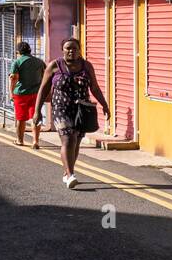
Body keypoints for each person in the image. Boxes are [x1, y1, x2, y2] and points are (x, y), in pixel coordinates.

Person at [33, 38, 109, 189]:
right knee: (68, 138)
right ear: (63, 50)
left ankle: (67, 172)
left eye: (74, 48)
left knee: (76, 142)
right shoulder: (54, 66)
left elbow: (94, 87)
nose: (71, 51)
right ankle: (70, 175)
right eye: (68, 48)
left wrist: (104, 104)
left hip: (82, 110)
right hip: (61, 108)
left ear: (79, 49)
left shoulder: (86, 66)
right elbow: (43, 89)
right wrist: (37, 111)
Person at [10, 42, 47, 148]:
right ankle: (35, 141)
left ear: (18, 51)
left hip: (21, 94)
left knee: (21, 118)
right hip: (36, 93)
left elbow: (14, 78)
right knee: (36, 117)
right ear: (30, 50)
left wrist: (11, 92)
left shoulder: (17, 62)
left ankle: (20, 140)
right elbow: (45, 76)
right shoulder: (39, 62)